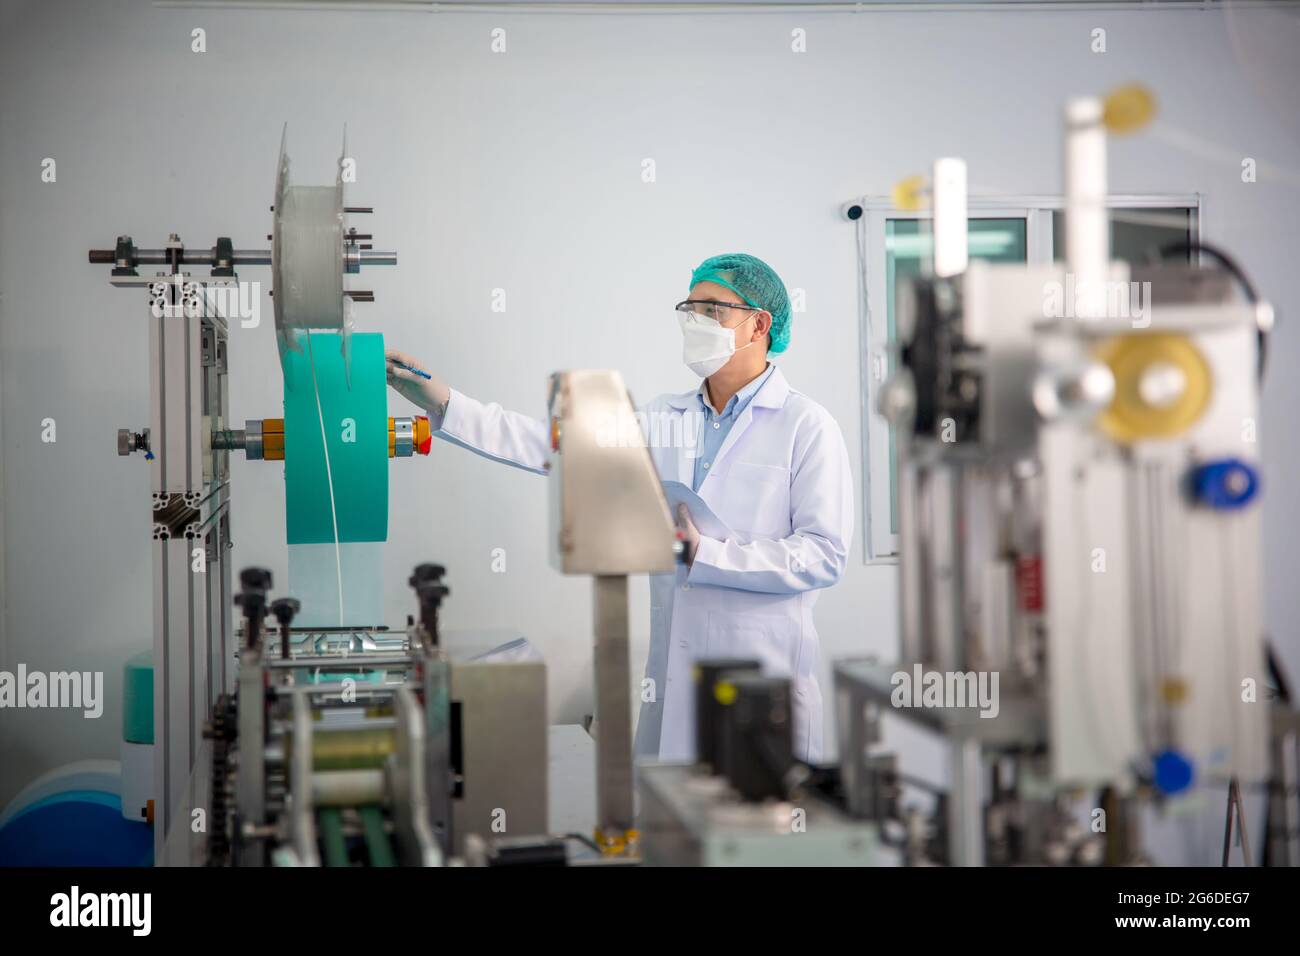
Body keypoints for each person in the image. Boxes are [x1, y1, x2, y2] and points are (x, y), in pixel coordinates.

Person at [387, 253, 853, 762]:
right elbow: (554, 444)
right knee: (665, 808)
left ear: (759, 324)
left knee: (759, 810)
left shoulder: (806, 425)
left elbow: (823, 554)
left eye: (712, 310)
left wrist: (708, 554)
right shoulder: (664, 417)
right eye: (689, 309)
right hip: (673, 686)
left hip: (763, 690)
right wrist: (443, 402)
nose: (695, 322)